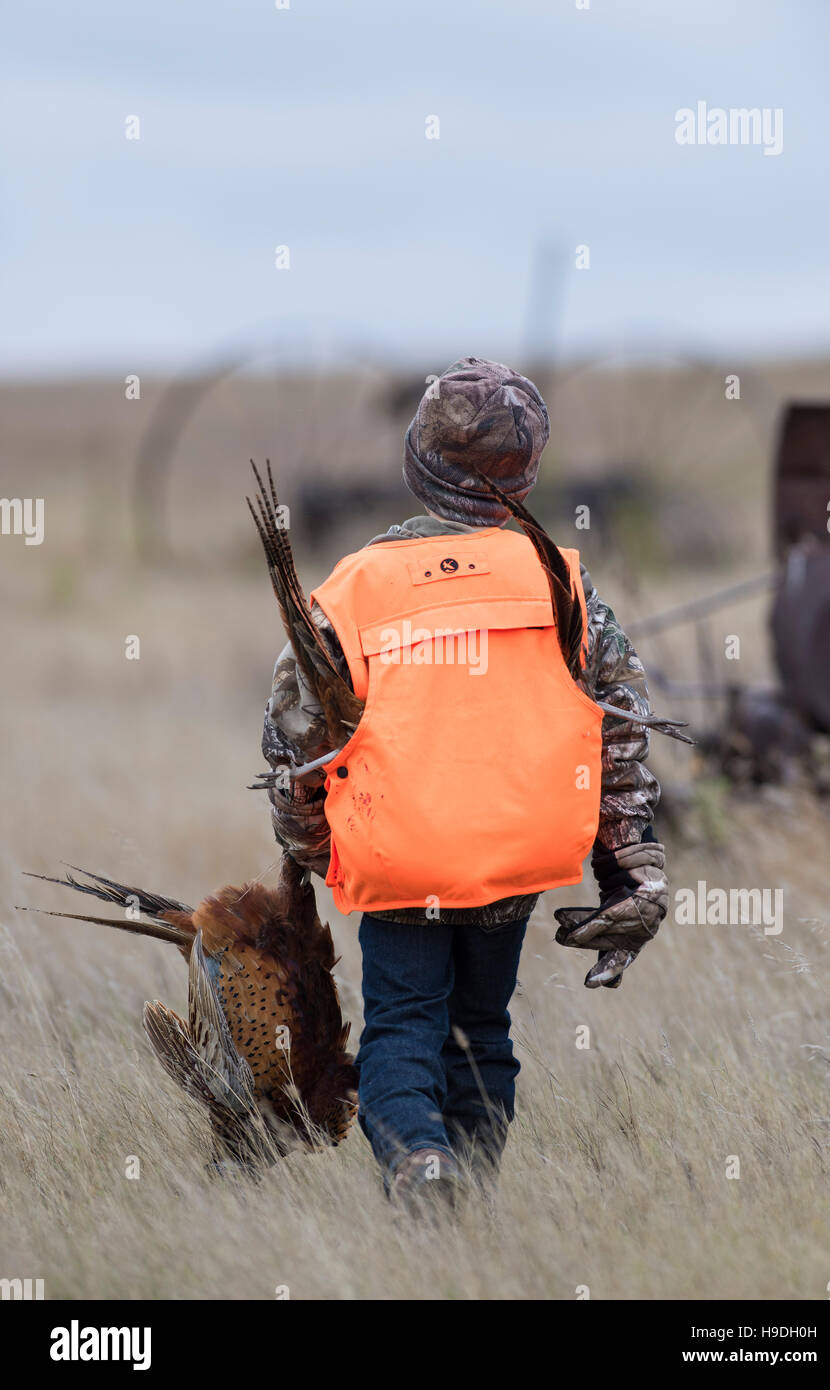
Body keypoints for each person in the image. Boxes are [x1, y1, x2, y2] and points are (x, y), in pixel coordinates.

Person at [261, 357, 669, 1204]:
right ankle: (469, 1210)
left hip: (400, 860)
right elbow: (620, 724)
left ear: (417, 461)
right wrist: (628, 861)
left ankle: (420, 1164)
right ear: (526, 472)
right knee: (482, 1033)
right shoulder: (559, 580)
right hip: (516, 855)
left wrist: (310, 852)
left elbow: (294, 745)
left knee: (403, 1027)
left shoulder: (355, 586)